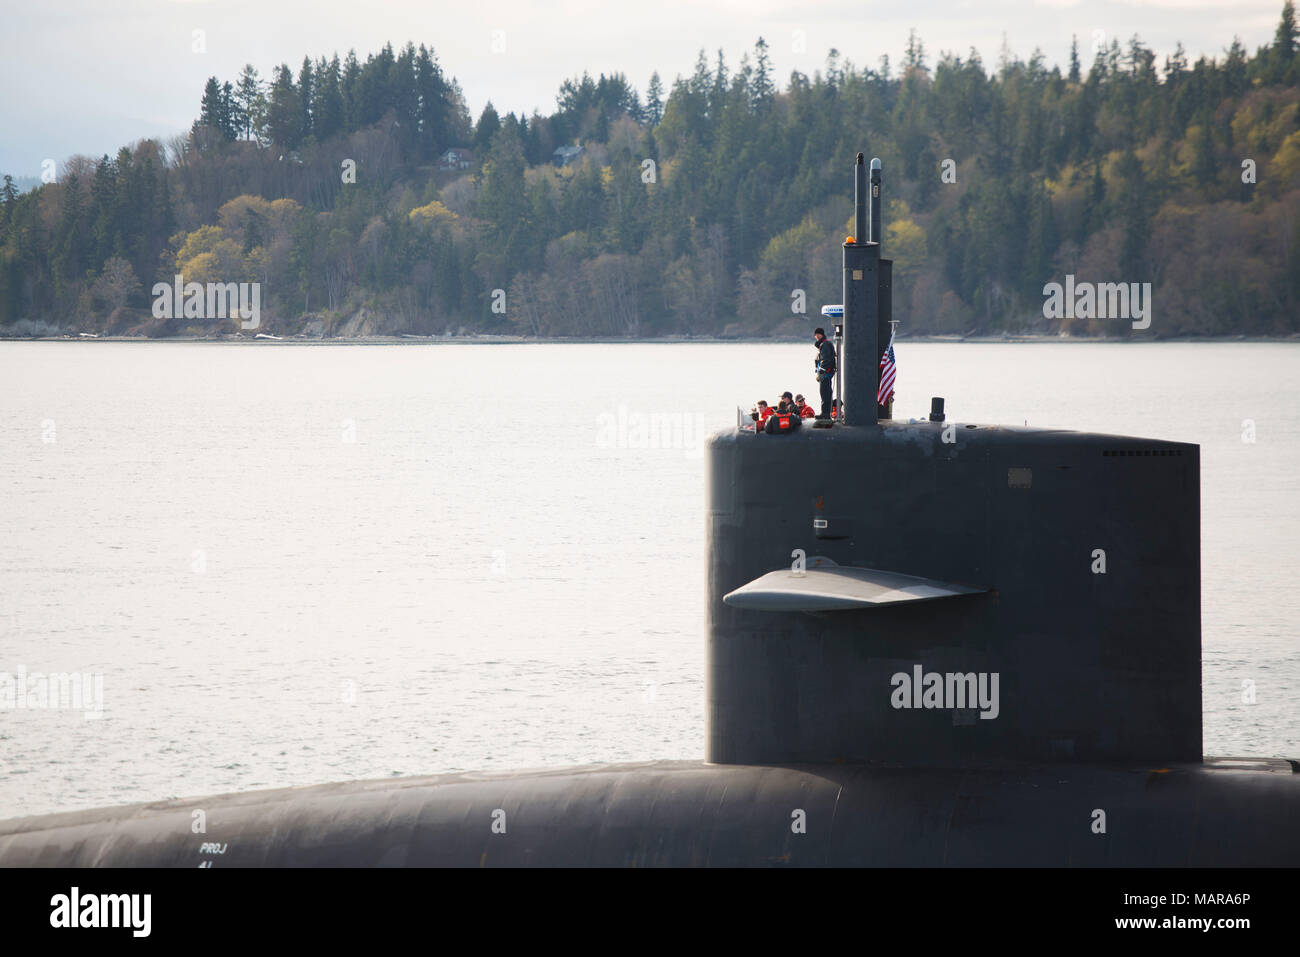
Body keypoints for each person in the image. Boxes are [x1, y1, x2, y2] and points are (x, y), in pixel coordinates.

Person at [813, 328, 837, 419]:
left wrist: (821, 371)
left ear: (821, 335)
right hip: (826, 373)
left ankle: (825, 414)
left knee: (825, 393)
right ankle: (827, 412)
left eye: (818, 335)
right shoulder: (824, 344)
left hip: (826, 374)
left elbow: (826, 359)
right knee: (826, 393)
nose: (816, 337)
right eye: (816, 335)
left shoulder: (825, 344)